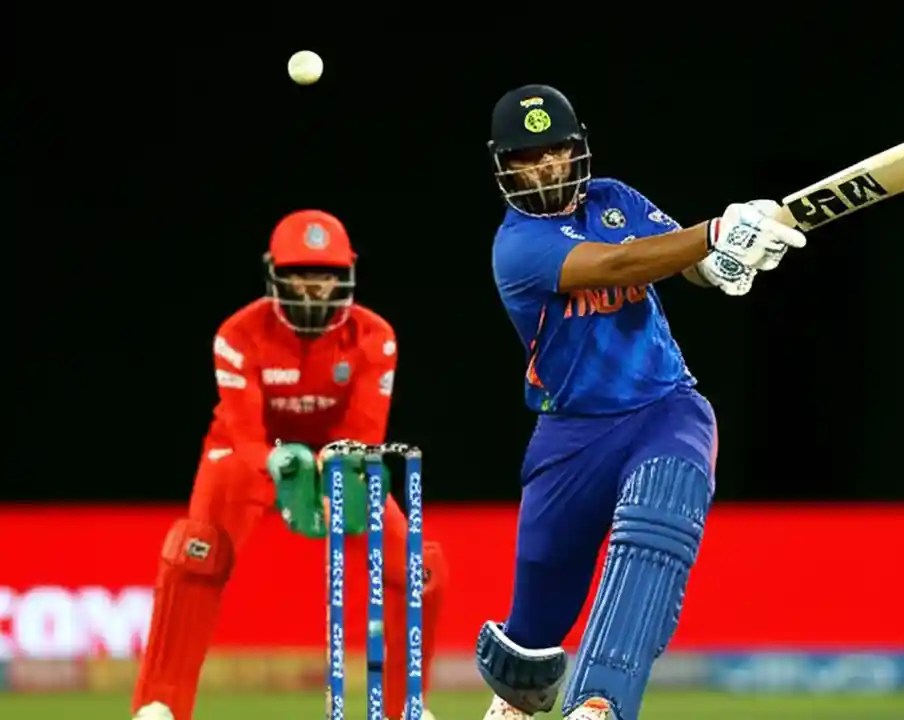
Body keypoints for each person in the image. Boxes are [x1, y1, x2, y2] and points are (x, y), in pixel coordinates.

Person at [476, 85, 807, 720]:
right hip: (571, 434)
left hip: (664, 409)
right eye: (526, 158)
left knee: (654, 537)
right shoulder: (517, 246)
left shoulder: (615, 199)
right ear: (504, 167)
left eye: (556, 151)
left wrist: (720, 261)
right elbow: (620, 265)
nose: (545, 167)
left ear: (578, 149)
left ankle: (600, 701)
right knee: (531, 636)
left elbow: (679, 258)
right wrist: (717, 233)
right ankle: (515, 700)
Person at [130, 209, 448, 720]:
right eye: (299, 274)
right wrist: (277, 461)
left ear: (346, 275)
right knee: (197, 552)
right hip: (250, 454)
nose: (312, 288)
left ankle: (405, 708)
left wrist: (331, 473)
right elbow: (244, 432)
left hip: (339, 456)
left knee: (414, 566)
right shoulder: (237, 334)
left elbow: (364, 434)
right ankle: (160, 703)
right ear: (274, 273)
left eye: (324, 275)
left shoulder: (375, 336)